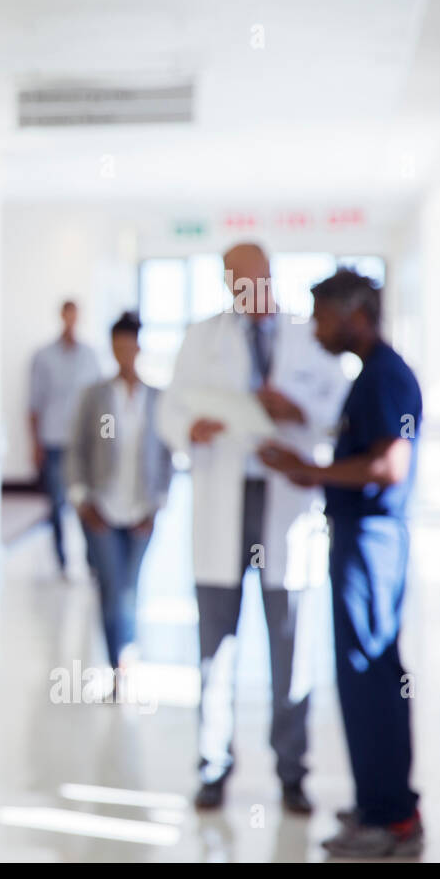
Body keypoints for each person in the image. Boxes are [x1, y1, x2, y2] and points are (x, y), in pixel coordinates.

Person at [157, 243, 348, 813]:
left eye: (251, 278)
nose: (242, 288)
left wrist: (298, 414)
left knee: (290, 645)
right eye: (232, 280)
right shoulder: (201, 336)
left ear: (269, 275)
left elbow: (338, 410)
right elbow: (172, 409)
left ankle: (292, 770)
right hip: (223, 499)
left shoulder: (307, 336)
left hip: (283, 503)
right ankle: (213, 765)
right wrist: (192, 428)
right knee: (215, 645)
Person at [260, 268, 423, 857]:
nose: (316, 328)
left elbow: (389, 467)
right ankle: (382, 803)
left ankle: (392, 818)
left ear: (355, 315)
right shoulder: (372, 375)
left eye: (323, 316)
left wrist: (312, 473)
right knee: (363, 679)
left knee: (371, 674)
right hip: (361, 540)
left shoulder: (384, 376)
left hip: (372, 543)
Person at [66, 313, 173, 689]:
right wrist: (82, 501)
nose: (124, 353)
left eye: (131, 346)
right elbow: (76, 450)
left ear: (139, 348)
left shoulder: (157, 398)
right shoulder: (94, 396)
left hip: (141, 509)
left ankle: (125, 652)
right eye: (118, 346)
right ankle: (117, 667)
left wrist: (157, 505)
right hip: (102, 511)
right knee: (112, 589)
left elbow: (165, 456)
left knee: (131, 587)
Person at [29, 299, 102, 575]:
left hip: (85, 442)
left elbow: (100, 402)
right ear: (61, 315)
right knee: (57, 502)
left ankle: (92, 560)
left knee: (84, 500)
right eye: (67, 314)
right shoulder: (44, 356)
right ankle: (62, 560)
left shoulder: (90, 356)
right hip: (54, 439)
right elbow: (34, 404)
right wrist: (35, 443)